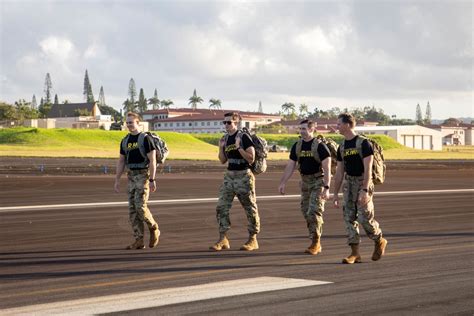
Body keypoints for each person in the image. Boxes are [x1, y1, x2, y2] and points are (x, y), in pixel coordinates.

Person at [332, 113, 387, 263]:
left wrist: (364, 190)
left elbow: (368, 168)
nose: (337, 126)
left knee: (364, 218)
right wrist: (335, 194)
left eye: (339, 124)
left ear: (348, 125)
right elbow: (339, 172)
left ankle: (379, 239)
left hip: (363, 182)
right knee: (349, 218)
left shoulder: (363, 143)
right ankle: (355, 253)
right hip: (348, 184)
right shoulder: (341, 146)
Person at [278, 119, 331, 255]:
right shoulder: (297, 146)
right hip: (305, 182)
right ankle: (314, 237)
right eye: (300, 129)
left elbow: (327, 167)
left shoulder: (320, 146)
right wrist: (283, 182)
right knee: (306, 211)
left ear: (312, 129)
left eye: (304, 129)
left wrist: (327, 187)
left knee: (314, 211)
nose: (301, 131)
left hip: (318, 181)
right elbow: (291, 165)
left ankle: (315, 242)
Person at [210, 112, 261, 251]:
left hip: (244, 176)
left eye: (229, 122)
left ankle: (253, 239)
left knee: (249, 208)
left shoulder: (243, 137)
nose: (226, 125)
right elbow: (222, 160)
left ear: (236, 123)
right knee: (221, 207)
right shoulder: (225, 138)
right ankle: (223, 239)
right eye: (224, 122)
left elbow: (251, 158)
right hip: (229, 176)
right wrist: (220, 147)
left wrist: (239, 147)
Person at [114, 112, 160, 250]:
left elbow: (152, 160)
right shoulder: (125, 141)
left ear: (138, 123)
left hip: (143, 175)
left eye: (131, 122)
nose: (129, 125)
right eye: (127, 122)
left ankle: (154, 227)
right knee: (132, 210)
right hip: (131, 176)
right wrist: (117, 179)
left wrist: (152, 179)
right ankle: (138, 239)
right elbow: (121, 161)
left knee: (140, 207)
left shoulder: (146, 139)